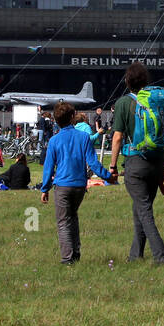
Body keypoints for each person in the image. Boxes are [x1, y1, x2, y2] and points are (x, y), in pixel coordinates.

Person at [110, 63, 164, 263]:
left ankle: (160, 256)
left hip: (136, 162)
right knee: (140, 208)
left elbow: (118, 137)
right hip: (157, 161)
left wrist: (112, 165)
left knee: (144, 212)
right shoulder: (154, 101)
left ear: (127, 82)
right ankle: (135, 256)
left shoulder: (123, 103)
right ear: (146, 82)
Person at [40, 102, 111, 265]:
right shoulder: (84, 137)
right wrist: (107, 176)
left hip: (62, 185)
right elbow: (93, 163)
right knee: (73, 217)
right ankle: (76, 251)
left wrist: (45, 189)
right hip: (80, 185)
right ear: (72, 117)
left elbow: (49, 168)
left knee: (63, 221)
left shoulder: (54, 140)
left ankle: (67, 258)